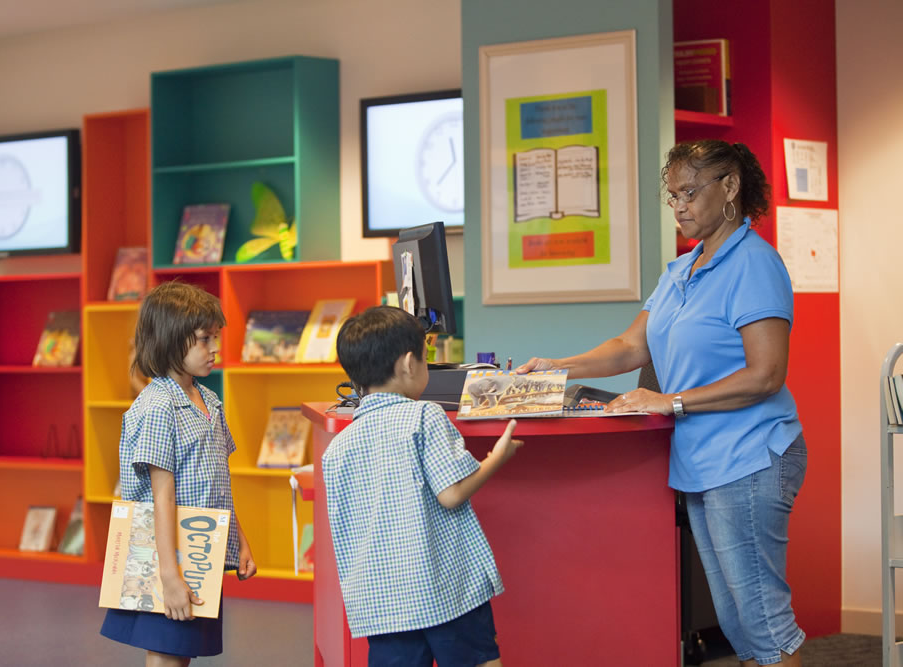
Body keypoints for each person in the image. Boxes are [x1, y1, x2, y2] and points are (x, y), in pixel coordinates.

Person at [516, 140, 807, 667]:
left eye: (690, 193)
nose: (680, 207)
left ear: (730, 187)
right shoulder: (682, 271)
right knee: (737, 625)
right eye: (673, 196)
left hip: (749, 455)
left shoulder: (754, 264)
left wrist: (669, 401)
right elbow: (630, 347)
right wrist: (556, 367)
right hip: (701, 462)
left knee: (764, 622)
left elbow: (766, 375)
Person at [323, 305, 523, 667]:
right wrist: (498, 457)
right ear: (408, 364)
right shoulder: (424, 415)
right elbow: (451, 494)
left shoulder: (337, 448)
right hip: (446, 591)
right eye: (426, 358)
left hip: (383, 605)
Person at [100, 280, 256, 667]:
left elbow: (218, 480)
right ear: (171, 341)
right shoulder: (158, 406)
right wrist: (169, 575)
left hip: (202, 550)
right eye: (204, 339)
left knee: (181, 651)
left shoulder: (210, 400)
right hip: (170, 556)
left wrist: (240, 541)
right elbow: (162, 495)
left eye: (215, 337)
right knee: (166, 653)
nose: (215, 348)